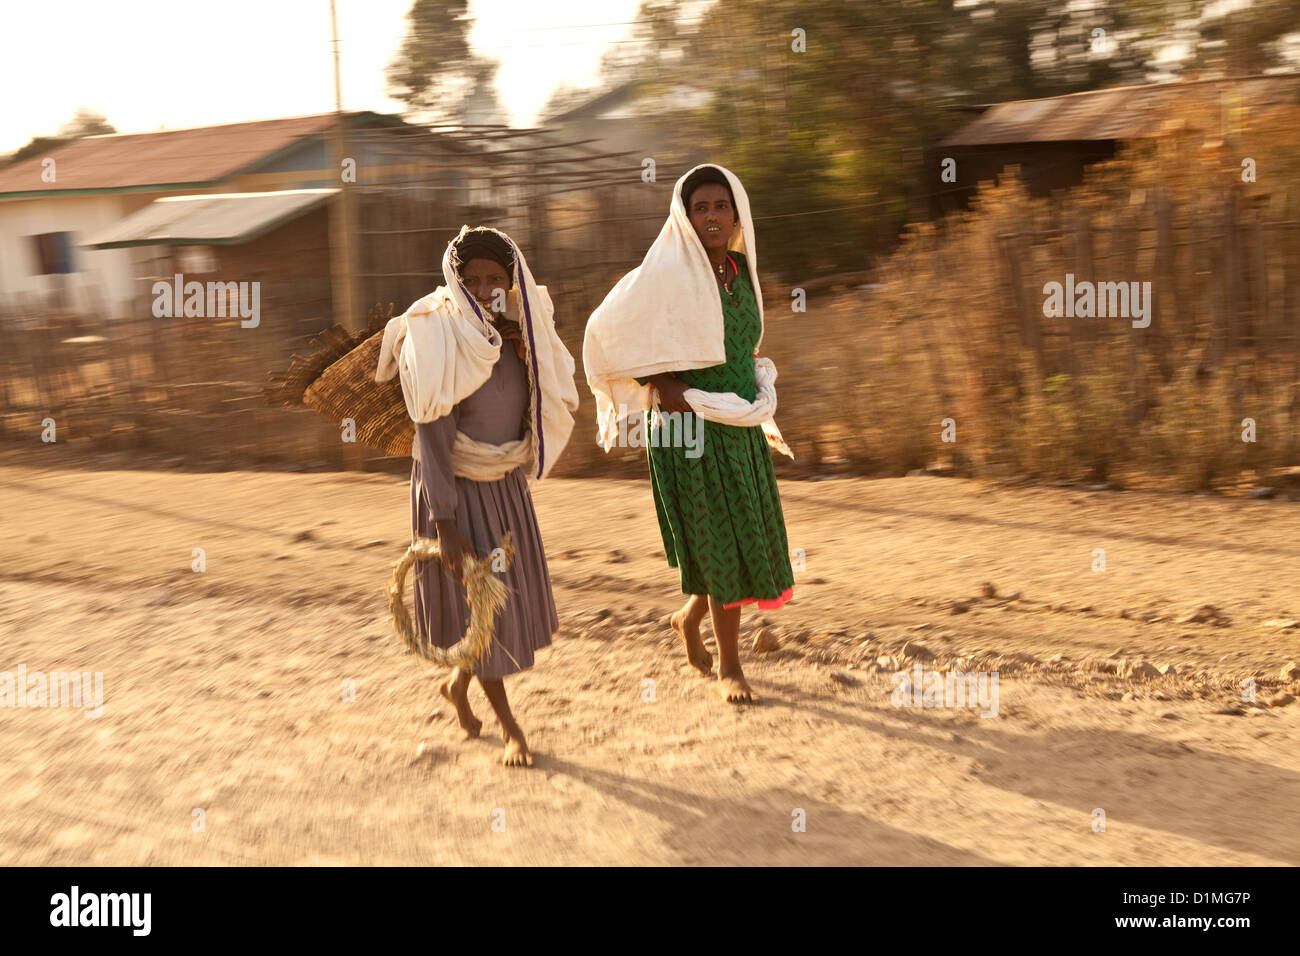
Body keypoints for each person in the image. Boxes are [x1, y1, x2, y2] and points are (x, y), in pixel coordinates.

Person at [583, 165, 795, 704]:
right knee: (721, 541)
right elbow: (606, 331)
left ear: (736, 211)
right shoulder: (667, 274)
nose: (712, 217)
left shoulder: (742, 269)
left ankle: (688, 618)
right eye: (699, 208)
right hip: (689, 431)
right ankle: (730, 667)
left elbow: (739, 344)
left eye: (720, 206)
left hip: (737, 422)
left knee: (740, 538)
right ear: (684, 216)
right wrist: (659, 378)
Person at [377, 225, 578, 765]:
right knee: (488, 609)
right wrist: (445, 525)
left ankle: (459, 688)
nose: (486, 288)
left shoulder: (520, 338)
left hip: (505, 490)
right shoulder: (438, 340)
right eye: (474, 279)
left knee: (496, 608)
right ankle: (511, 727)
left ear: (511, 283)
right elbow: (434, 441)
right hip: (458, 497)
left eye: (496, 278)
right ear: (456, 281)